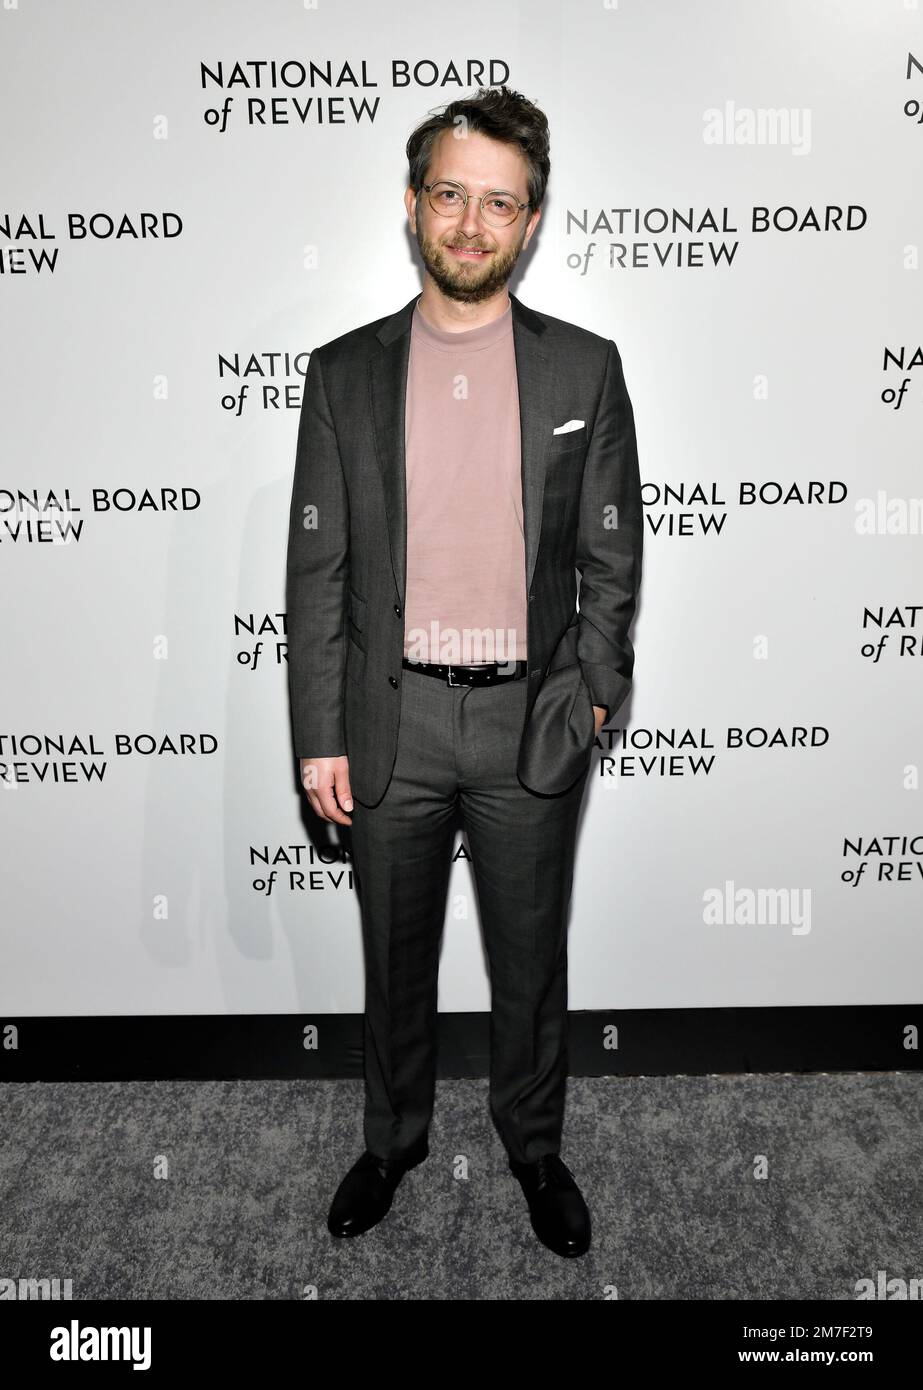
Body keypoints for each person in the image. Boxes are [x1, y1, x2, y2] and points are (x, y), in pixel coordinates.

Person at [286, 85, 643, 1259]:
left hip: (525, 722)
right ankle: (391, 1139)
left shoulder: (583, 370)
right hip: (389, 717)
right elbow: (322, 572)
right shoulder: (340, 375)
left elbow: (608, 550)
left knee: (529, 963)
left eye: (500, 203)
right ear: (412, 204)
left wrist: (589, 689)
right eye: (452, 195)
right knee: (393, 961)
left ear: (531, 222)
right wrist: (317, 731)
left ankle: (533, 1147)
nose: (472, 224)